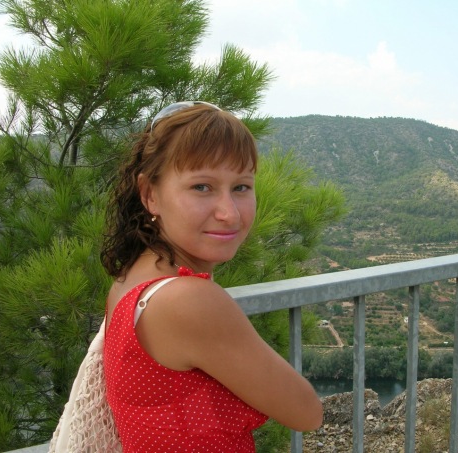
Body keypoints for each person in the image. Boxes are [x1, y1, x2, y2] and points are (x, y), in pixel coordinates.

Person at [100, 101, 323, 452]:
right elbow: (307, 412)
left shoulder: (132, 278)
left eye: (241, 187)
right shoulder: (189, 300)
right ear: (150, 194)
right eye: (202, 187)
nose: (229, 213)